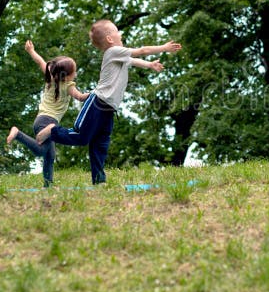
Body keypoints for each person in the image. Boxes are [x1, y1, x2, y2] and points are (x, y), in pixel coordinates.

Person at [36, 19, 182, 184]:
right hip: (97, 103)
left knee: (100, 144)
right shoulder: (113, 52)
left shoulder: (119, 55)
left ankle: (99, 180)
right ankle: (52, 130)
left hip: (109, 109)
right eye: (116, 31)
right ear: (110, 39)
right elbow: (142, 50)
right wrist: (164, 48)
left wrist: (149, 65)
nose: (120, 33)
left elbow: (133, 61)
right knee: (81, 137)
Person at [7, 40, 89, 188]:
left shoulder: (51, 77)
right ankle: (18, 133)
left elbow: (40, 61)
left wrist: (31, 51)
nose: (75, 74)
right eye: (74, 72)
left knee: (49, 156)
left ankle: (48, 186)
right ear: (67, 76)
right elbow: (80, 97)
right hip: (48, 123)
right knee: (40, 151)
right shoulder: (68, 86)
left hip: (40, 120)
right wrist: (93, 94)